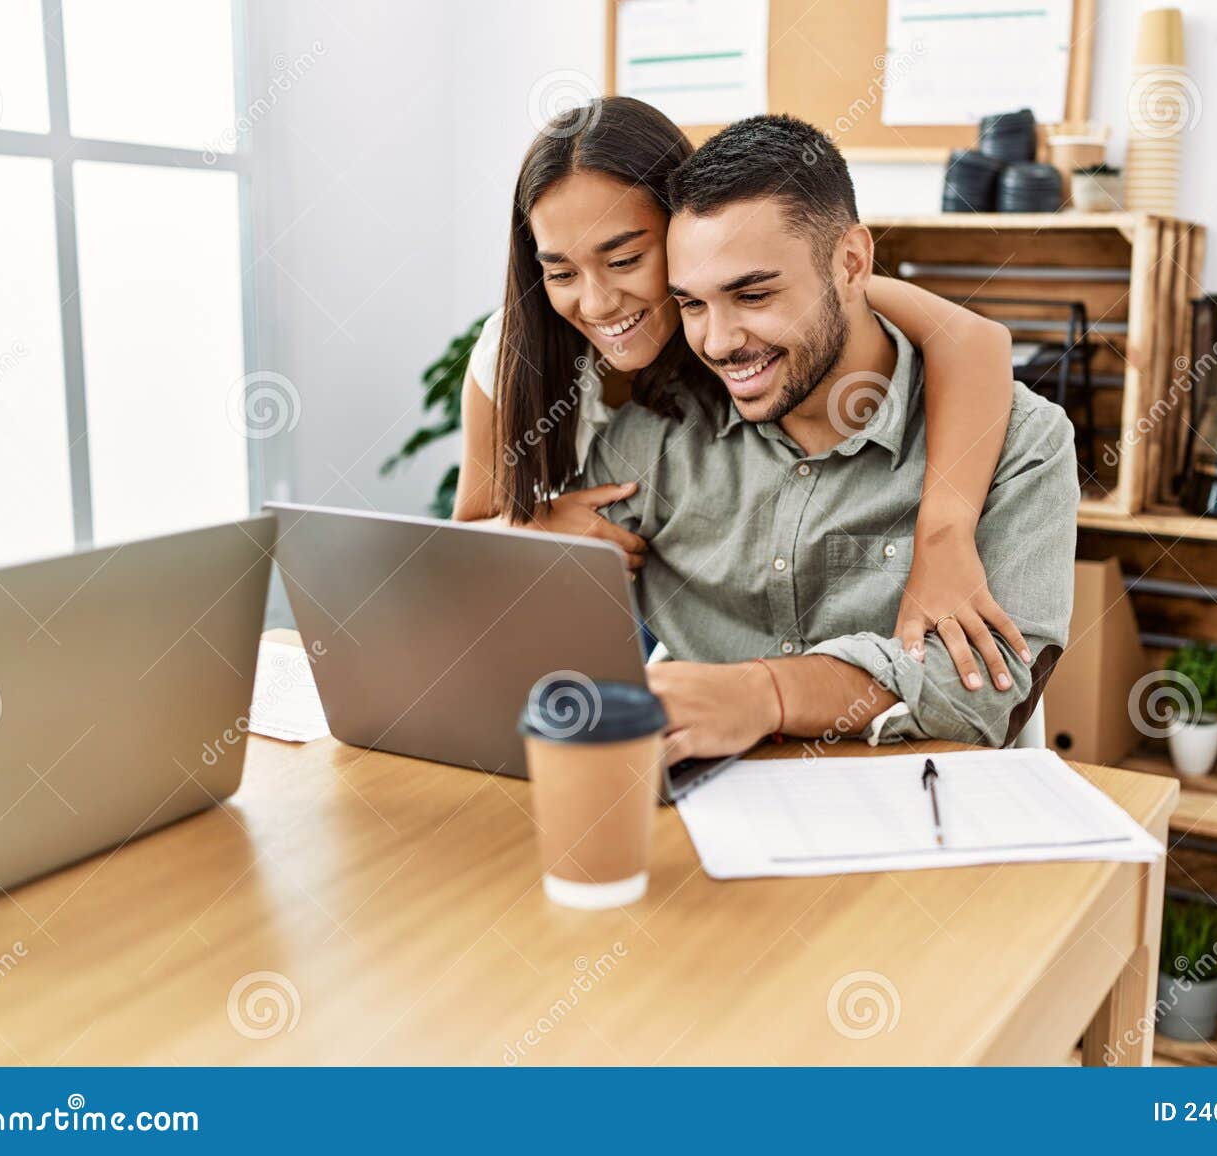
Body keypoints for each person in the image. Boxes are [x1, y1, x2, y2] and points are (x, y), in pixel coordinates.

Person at [454, 96, 1031, 693]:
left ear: (684, 230)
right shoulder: (517, 351)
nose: (597, 303)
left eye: (624, 259)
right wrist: (534, 531)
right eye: (560, 273)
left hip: (707, 579)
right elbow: (468, 534)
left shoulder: (757, 295)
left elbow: (974, 340)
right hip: (622, 574)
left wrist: (942, 536)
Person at [573, 114, 1080, 763]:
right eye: (693, 304)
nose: (718, 342)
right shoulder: (655, 435)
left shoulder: (1021, 444)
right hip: (699, 806)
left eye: (753, 295)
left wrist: (764, 694)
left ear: (851, 263)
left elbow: (981, 695)